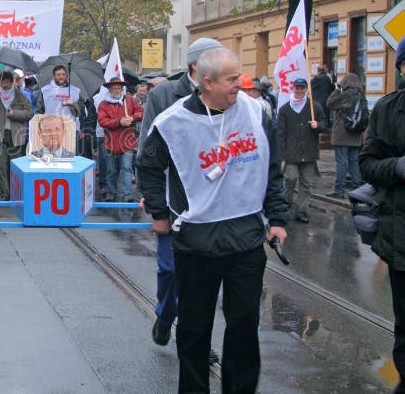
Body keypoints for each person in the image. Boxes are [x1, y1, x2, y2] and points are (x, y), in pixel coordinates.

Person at [138, 47, 288, 393]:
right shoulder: (173, 122)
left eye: (239, 76)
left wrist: (277, 218)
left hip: (246, 238)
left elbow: (272, 170)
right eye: (232, 79)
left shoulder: (258, 113)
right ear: (207, 82)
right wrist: (160, 213)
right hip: (196, 241)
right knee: (194, 329)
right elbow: (147, 166)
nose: (240, 84)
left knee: (244, 326)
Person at [136, 37, 223, 353]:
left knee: (204, 277)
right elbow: (148, 151)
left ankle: (197, 336)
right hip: (174, 200)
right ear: (195, 67)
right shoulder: (163, 95)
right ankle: (165, 315)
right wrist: (153, 200)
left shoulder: (224, 95)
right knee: (171, 270)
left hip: (211, 202)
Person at [359, 38, 405, 394]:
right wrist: (399, 167)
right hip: (402, 235)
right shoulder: (388, 111)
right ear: (402, 68)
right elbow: (368, 165)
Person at [277, 78, 327, 223]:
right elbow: (280, 133)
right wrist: (281, 153)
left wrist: (318, 125)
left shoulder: (314, 107)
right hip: (291, 153)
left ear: (306, 89)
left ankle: (301, 211)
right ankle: (286, 205)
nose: (299, 91)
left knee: (306, 183)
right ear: (293, 88)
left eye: (302, 88)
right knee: (290, 179)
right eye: (297, 88)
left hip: (309, 152)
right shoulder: (285, 109)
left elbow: (324, 123)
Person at [0, 70, 34, 200]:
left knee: (15, 165)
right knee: (0, 165)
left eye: (7, 82)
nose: (5, 85)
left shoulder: (21, 95)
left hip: (16, 135)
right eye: (3, 82)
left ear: (12, 82)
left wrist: (15, 114)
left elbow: (29, 113)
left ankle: (15, 191)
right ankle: (5, 192)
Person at [97, 77, 143, 202]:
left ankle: (126, 194)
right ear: (109, 89)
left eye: (119, 88)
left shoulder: (130, 100)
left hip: (127, 141)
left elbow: (141, 112)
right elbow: (102, 121)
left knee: (127, 168)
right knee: (111, 170)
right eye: (114, 88)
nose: (117, 90)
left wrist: (132, 118)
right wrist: (119, 122)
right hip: (111, 142)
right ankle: (111, 192)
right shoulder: (103, 104)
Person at [326, 73, 365, 198]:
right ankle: (357, 188)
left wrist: (336, 91)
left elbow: (329, 103)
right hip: (356, 134)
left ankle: (339, 190)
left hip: (342, 135)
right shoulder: (360, 96)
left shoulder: (345, 95)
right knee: (354, 162)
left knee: (341, 162)